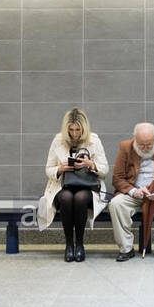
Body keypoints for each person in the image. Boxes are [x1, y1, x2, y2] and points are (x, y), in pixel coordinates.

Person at [37, 107, 109, 263]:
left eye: (78, 130)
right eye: (71, 130)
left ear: (84, 128)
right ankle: (69, 244)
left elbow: (105, 170)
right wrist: (60, 169)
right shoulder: (58, 140)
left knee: (80, 197)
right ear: (66, 129)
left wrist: (90, 164)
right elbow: (48, 169)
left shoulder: (94, 140)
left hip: (87, 188)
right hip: (64, 186)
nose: (75, 133)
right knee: (67, 197)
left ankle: (80, 244)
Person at [109, 122, 154, 261]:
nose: (144, 148)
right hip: (134, 193)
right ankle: (126, 249)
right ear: (134, 139)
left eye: (148, 144)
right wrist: (133, 191)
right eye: (141, 145)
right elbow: (117, 178)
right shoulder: (126, 147)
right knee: (116, 204)